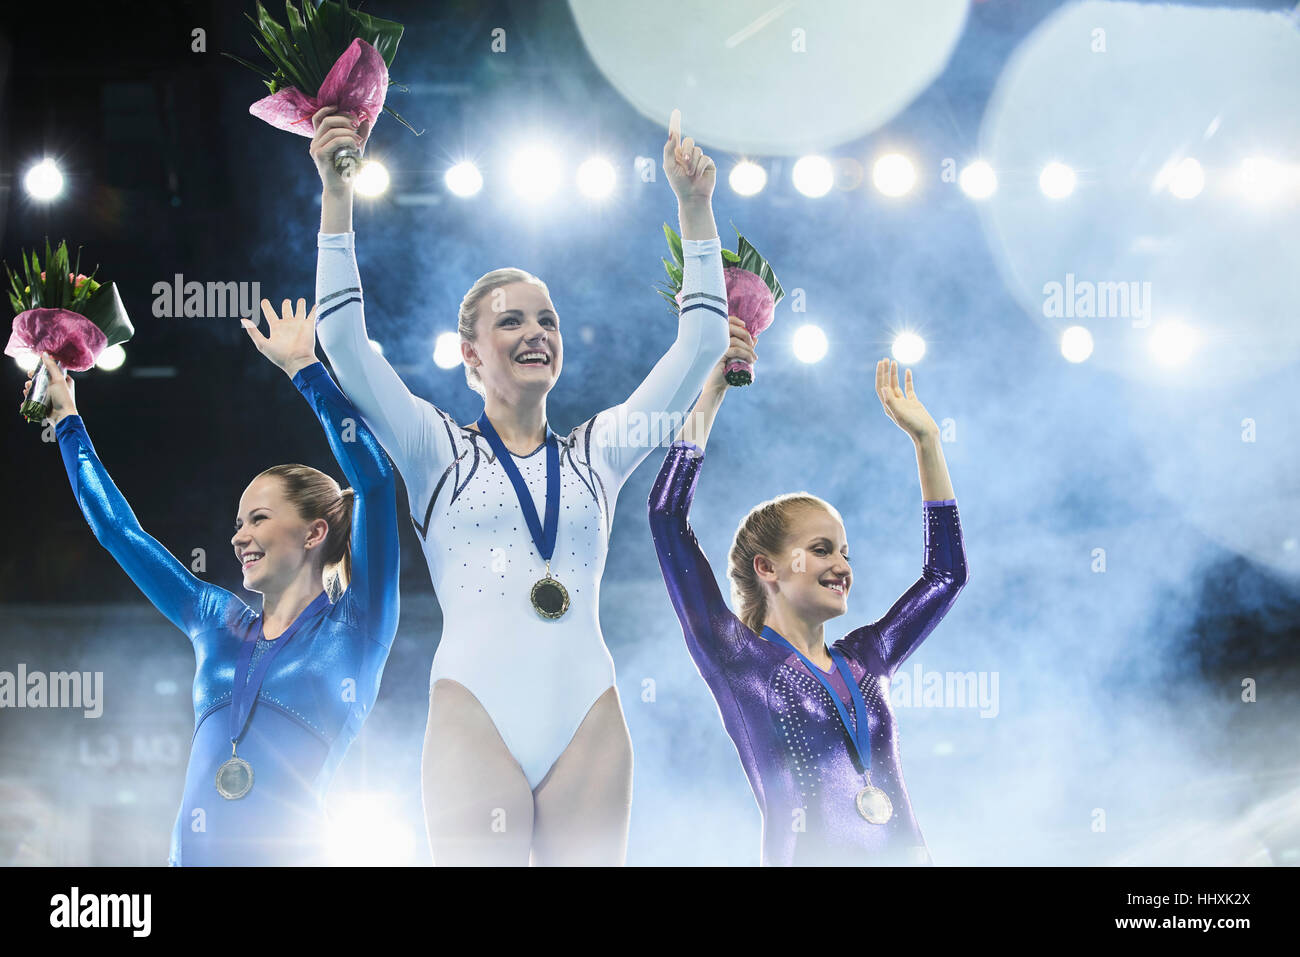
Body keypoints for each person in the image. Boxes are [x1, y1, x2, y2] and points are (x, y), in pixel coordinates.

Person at [307, 106, 729, 864]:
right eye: (511, 323)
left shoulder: (598, 455)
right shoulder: (434, 449)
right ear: (470, 356)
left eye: (548, 320)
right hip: (477, 708)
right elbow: (341, 338)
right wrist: (337, 194)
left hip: (588, 715)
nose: (536, 331)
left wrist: (694, 210)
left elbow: (699, 343)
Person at [23, 297, 400, 865]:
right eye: (236, 522)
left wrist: (306, 371)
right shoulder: (217, 620)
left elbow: (374, 485)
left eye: (258, 519)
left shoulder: (355, 627)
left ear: (314, 531)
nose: (237, 537)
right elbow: (118, 533)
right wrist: (67, 422)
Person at [648, 344, 968, 865]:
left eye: (845, 552)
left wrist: (928, 442)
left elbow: (946, 575)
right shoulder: (738, 658)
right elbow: (667, 519)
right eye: (821, 550)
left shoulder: (869, 658)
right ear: (767, 568)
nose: (842, 565)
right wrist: (711, 391)